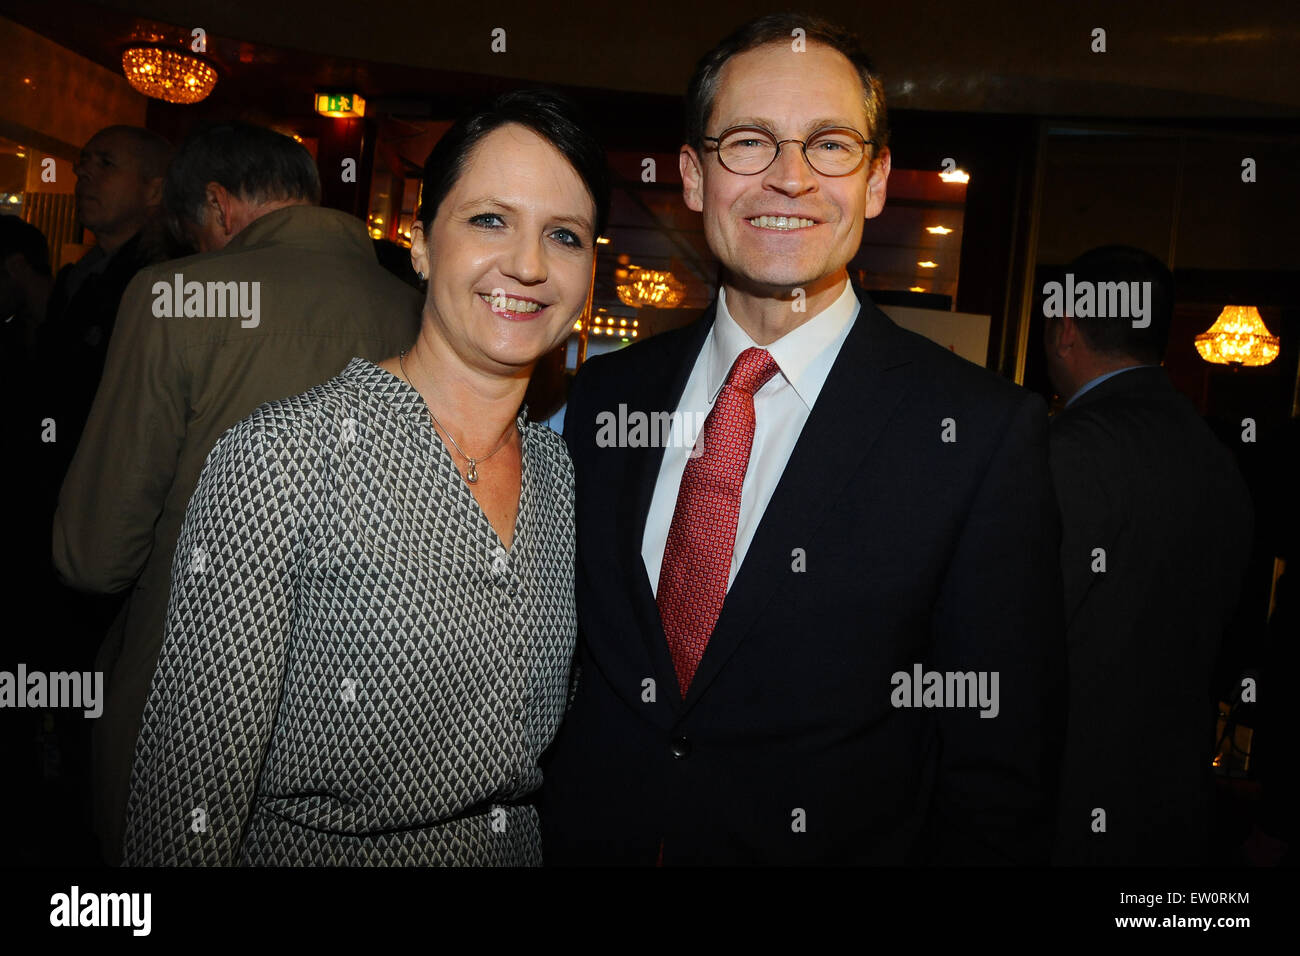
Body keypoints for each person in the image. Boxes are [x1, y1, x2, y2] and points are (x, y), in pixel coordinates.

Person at [540, 13, 1065, 865]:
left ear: (879, 179)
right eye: (748, 142)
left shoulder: (979, 435)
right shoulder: (606, 394)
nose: (789, 179)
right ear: (694, 176)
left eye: (829, 145)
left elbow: (997, 767)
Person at [123, 89, 608, 865]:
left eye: (565, 235)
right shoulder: (283, 458)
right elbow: (186, 807)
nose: (527, 264)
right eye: (489, 220)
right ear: (419, 243)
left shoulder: (562, 478)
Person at [54, 122, 422, 865]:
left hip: (184, 701)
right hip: (360, 709)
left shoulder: (172, 296)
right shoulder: (417, 311)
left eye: (193, 236)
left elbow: (94, 553)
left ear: (217, 207)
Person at [1043, 245, 1253, 865]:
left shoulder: (1066, 450)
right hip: (1175, 798)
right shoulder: (1218, 459)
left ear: (1067, 329)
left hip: (1067, 797)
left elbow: (1019, 629)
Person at [37, 126, 173, 460]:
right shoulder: (77, 277)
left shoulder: (167, 285)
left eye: (106, 163)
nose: (81, 171)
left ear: (154, 191)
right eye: (84, 161)